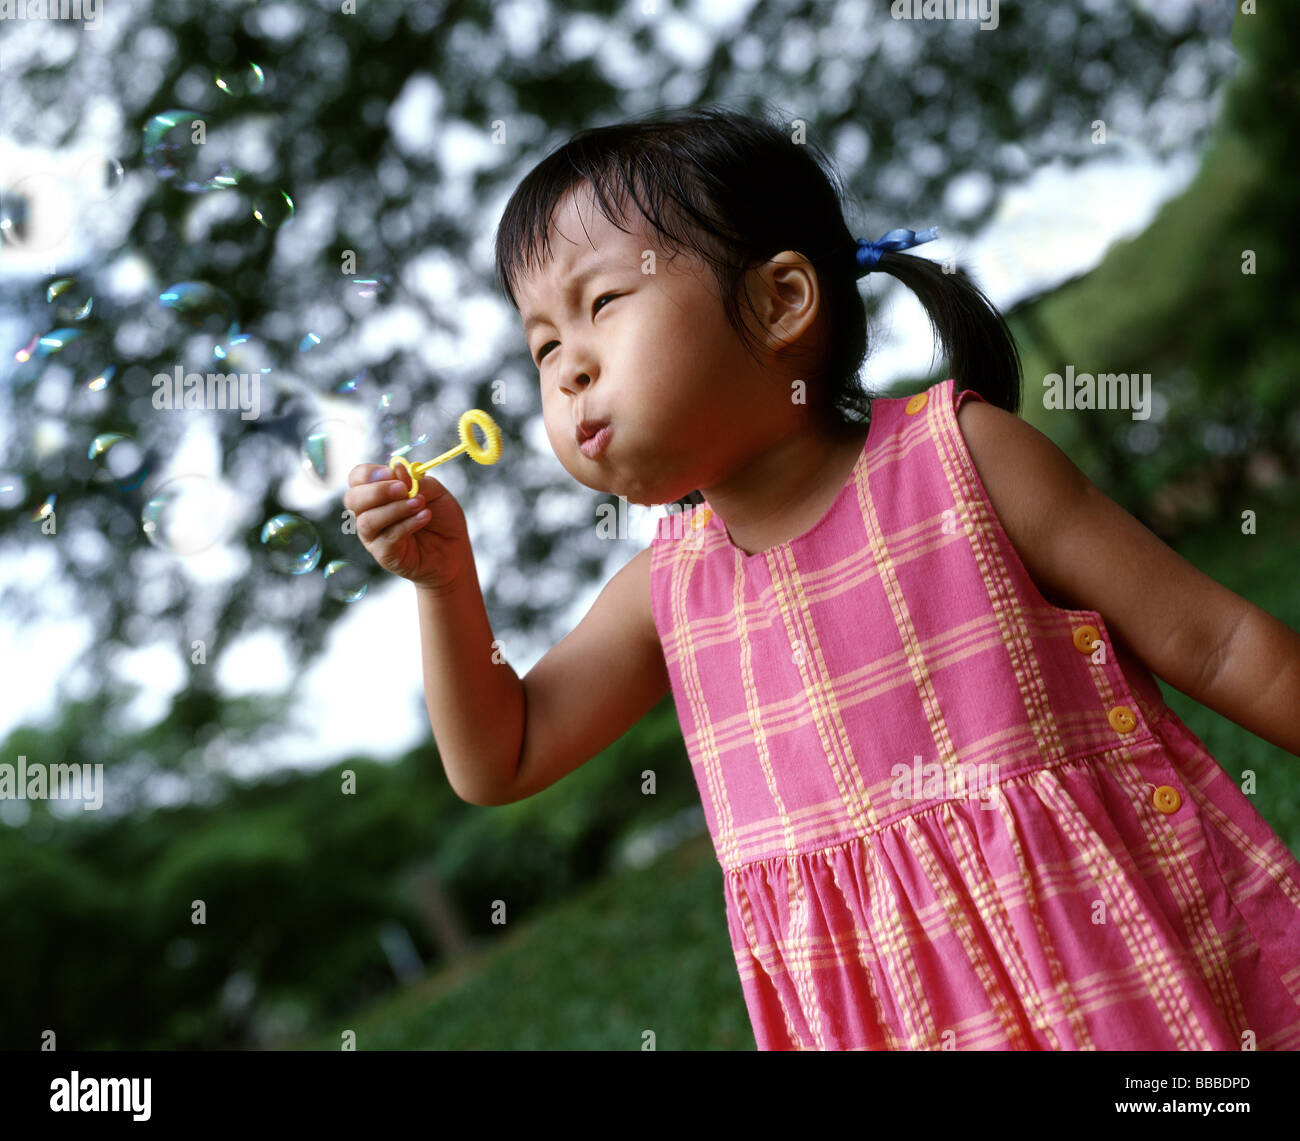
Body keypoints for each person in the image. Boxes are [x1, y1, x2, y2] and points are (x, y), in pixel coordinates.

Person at [344, 105, 1300, 1050]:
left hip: (1102, 972)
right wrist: (444, 584)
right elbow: (497, 757)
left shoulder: (962, 462)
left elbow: (1214, 641)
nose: (569, 371)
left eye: (601, 305)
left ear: (780, 302)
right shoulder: (665, 593)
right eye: (544, 344)